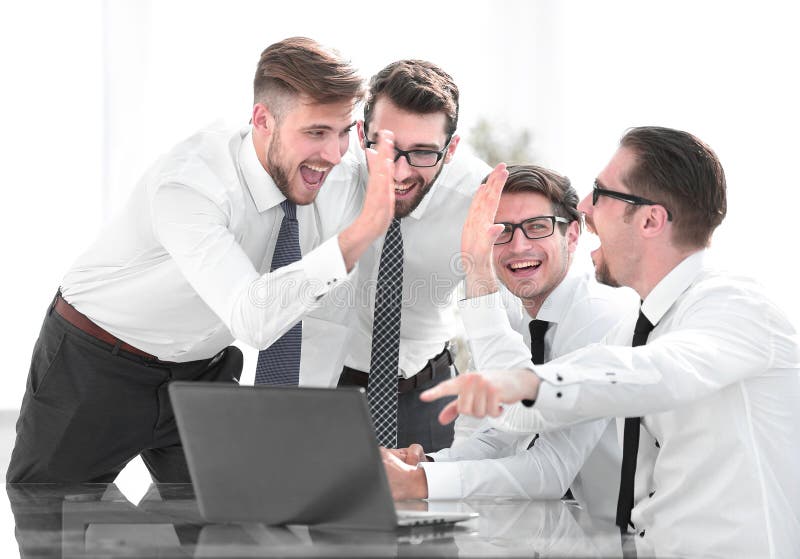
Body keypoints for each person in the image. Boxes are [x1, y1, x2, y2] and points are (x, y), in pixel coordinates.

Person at [7, 37, 397, 483]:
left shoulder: (332, 172)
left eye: (344, 131)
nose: (334, 154)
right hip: (95, 365)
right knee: (45, 516)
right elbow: (253, 318)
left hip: (200, 371)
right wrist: (358, 235)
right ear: (262, 120)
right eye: (316, 133)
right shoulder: (192, 184)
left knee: (242, 512)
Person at [421, 126, 800, 557]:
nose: (584, 207)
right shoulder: (635, 331)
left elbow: (664, 372)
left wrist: (525, 384)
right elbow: (527, 413)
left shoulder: (736, 305)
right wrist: (479, 276)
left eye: (600, 193)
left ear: (650, 220)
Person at [381, 164, 636, 522]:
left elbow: (552, 469)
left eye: (537, 227)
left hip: (627, 534)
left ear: (572, 235)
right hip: (568, 528)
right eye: (501, 231)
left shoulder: (600, 316)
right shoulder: (508, 311)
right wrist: (421, 465)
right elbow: (497, 437)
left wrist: (420, 481)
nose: (518, 246)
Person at [331, 60, 491, 452]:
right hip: (330, 392)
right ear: (361, 134)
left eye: (422, 152)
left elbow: (506, 317)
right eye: (386, 147)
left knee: (433, 492)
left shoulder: (480, 197)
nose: (400, 172)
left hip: (428, 395)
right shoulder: (327, 179)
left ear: (451, 150)